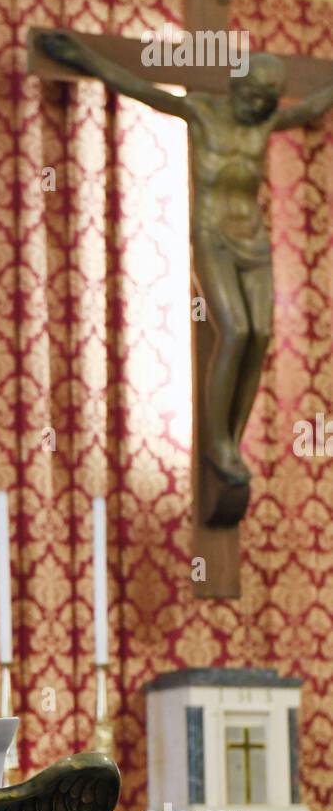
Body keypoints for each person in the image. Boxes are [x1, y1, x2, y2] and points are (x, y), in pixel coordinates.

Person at [38, 30, 333, 514]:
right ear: (240, 88)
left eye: (268, 98)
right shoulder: (203, 112)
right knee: (234, 330)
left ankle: (231, 445)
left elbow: (314, 105)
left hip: (253, 242)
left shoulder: (265, 124)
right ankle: (217, 441)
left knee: (261, 333)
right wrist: (85, 57)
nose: (261, 104)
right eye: (256, 94)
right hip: (213, 237)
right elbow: (140, 87)